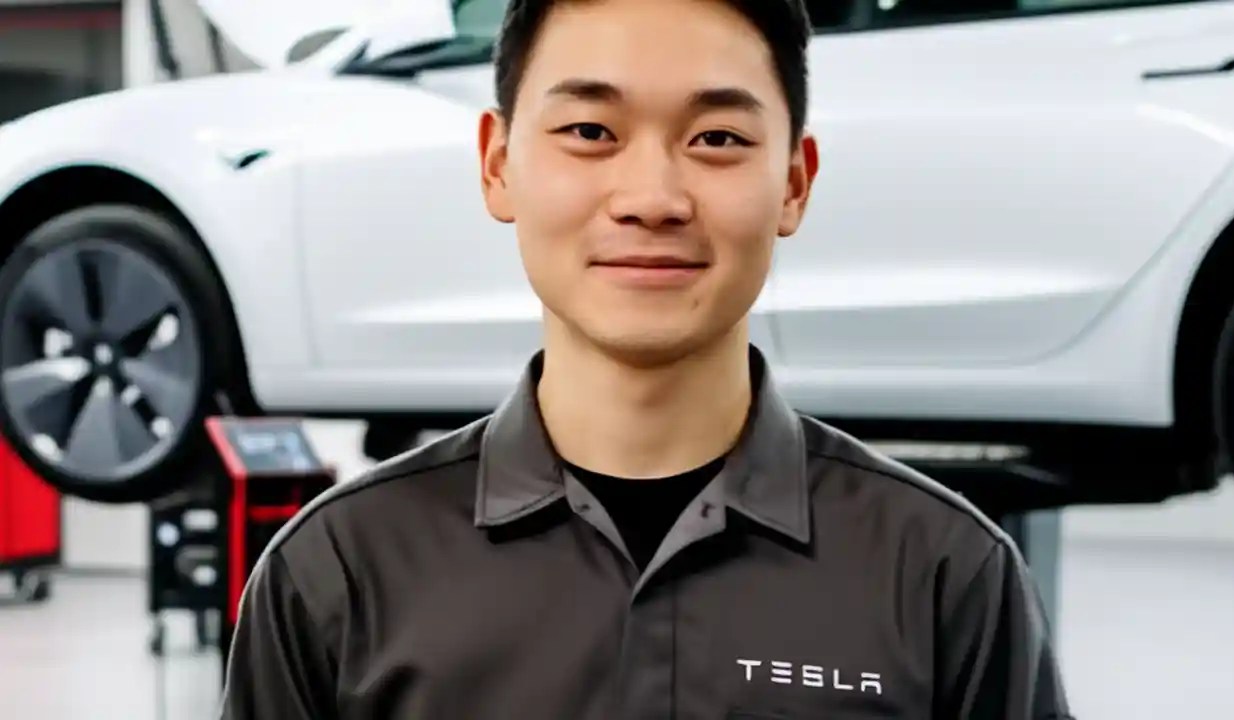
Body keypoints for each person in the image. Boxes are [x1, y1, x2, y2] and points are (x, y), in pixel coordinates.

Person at [219, 0, 1074, 717]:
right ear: (498, 164)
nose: (654, 199)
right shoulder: (337, 576)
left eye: (717, 140)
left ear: (795, 183)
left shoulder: (944, 577)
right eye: (591, 130)